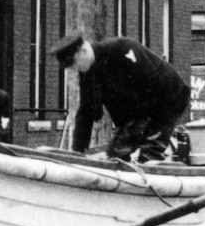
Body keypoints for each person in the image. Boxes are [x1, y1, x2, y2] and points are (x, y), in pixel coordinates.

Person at [54, 31, 190, 160]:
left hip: (167, 97)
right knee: (118, 151)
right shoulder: (88, 73)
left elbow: (149, 90)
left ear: (83, 51)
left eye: (74, 64)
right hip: (136, 112)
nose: (74, 70)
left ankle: (148, 166)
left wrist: (129, 139)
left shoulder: (122, 49)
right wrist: (77, 153)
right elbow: (85, 113)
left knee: (149, 149)